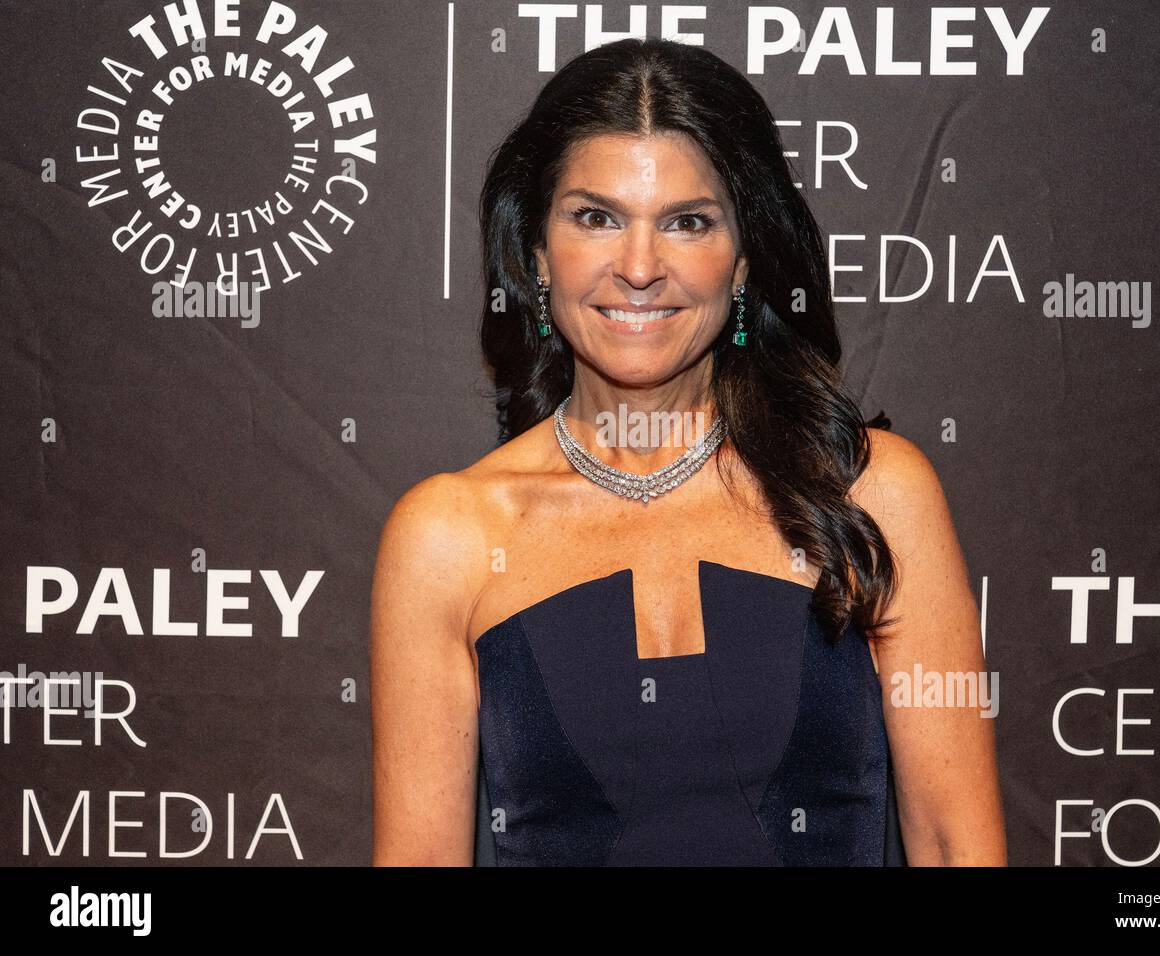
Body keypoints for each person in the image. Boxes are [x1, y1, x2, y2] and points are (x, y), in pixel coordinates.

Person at [371, 36, 1005, 866]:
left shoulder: (870, 491)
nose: (639, 268)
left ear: (743, 262)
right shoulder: (446, 536)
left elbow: (959, 847)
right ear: (534, 253)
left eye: (688, 222)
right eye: (595, 217)